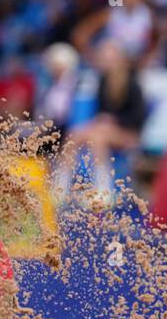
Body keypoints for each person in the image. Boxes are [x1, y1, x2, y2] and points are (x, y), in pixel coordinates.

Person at [53, 39, 147, 200]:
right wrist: (103, 121)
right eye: (104, 57)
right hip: (106, 129)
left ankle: (104, 189)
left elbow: (138, 117)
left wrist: (114, 120)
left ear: (119, 60)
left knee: (98, 138)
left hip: (129, 133)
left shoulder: (132, 83)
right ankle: (60, 186)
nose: (105, 61)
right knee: (75, 134)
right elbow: (101, 111)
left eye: (109, 58)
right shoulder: (103, 81)